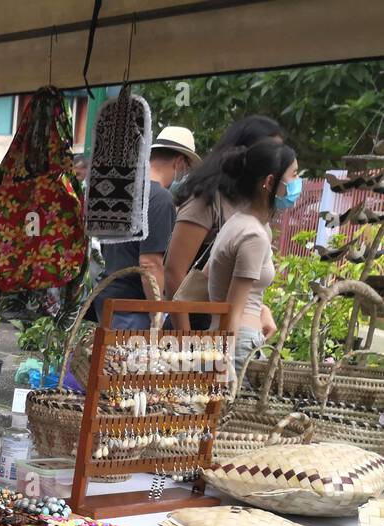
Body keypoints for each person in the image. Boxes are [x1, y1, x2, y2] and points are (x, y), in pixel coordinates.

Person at [165, 115, 285, 330]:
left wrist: (261, 310)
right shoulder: (208, 199)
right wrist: (185, 340)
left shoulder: (253, 208)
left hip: (230, 329)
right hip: (197, 326)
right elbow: (174, 272)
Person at [207, 138, 300, 377]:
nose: (298, 184)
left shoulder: (241, 222)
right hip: (238, 348)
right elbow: (232, 310)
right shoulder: (253, 235)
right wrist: (223, 371)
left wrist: (261, 309)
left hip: (236, 341)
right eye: (294, 176)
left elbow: (225, 284)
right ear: (270, 182)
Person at [92, 126, 199, 330]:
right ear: (179, 162)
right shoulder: (160, 198)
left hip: (108, 297)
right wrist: (157, 315)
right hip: (132, 306)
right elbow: (150, 264)